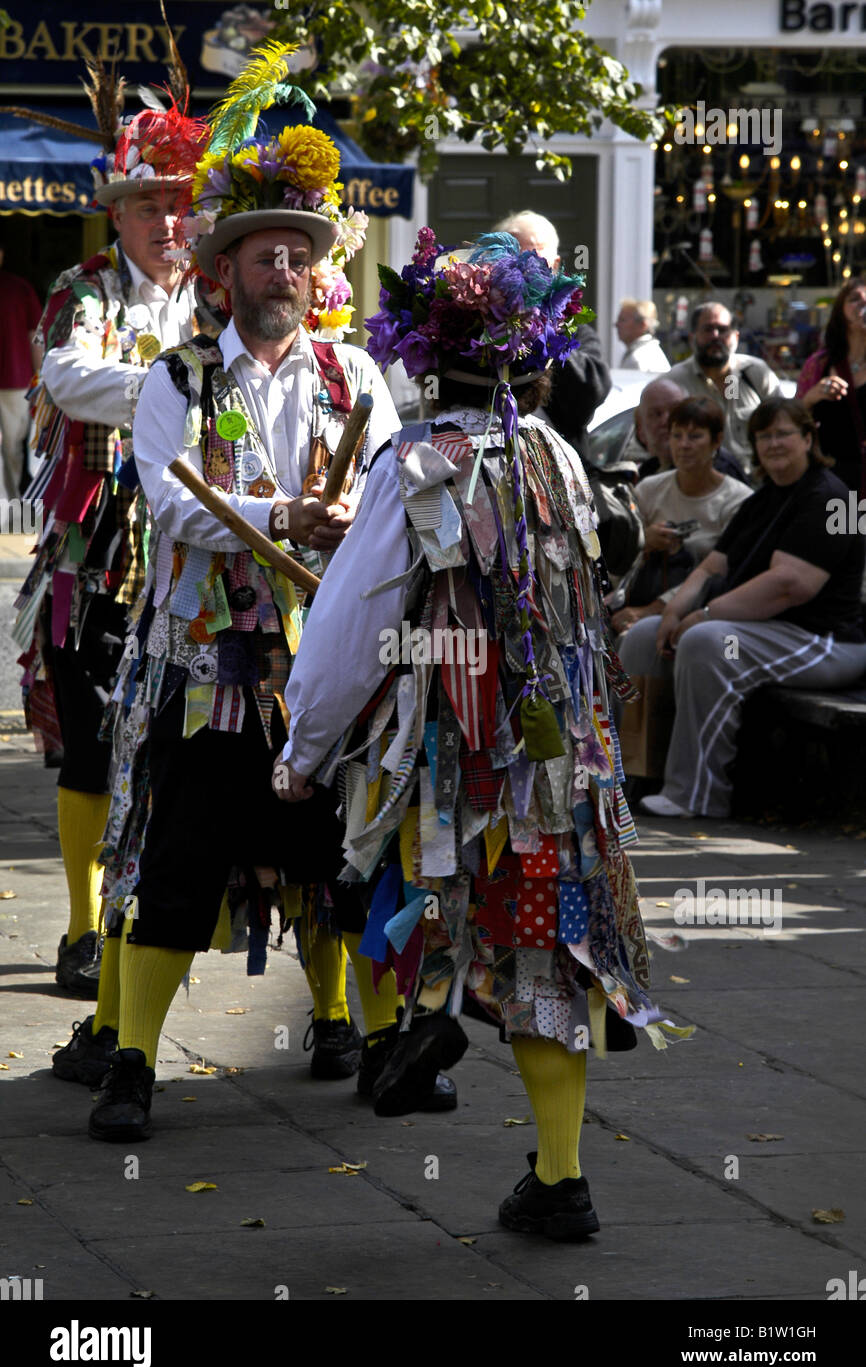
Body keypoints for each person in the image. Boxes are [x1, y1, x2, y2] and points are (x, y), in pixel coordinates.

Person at [275, 227, 692, 1241]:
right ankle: (559, 1174)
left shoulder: (413, 461)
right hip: (557, 758)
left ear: (425, 348)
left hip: (452, 759)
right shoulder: (554, 454)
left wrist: (304, 745)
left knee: (406, 883)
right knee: (548, 954)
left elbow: (350, 621)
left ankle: (415, 1027)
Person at [77, 66, 446, 1143]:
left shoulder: (354, 376)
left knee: (344, 854)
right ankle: (134, 1063)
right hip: (205, 670)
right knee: (179, 860)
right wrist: (283, 518)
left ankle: (371, 1044)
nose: (282, 267)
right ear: (223, 268)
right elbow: (165, 497)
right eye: (261, 251)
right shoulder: (173, 379)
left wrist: (360, 525)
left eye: (298, 252)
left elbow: (393, 494)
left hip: (328, 664)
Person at [13, 89, 210, 1000]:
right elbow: (66, 376)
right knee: (93, 748)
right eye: (150, 205)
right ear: (119, 214)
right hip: (98, 555)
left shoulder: (216, 296)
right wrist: (173, 388)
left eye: (180, 202)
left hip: (197, 553)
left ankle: (154, 909)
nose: (169, 220)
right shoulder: (84, 291)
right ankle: (83, 930)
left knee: (181, 742)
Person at [618, 398, 866, 820]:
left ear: (808, 438)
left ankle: (696, 794)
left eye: (783, 434)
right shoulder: (764, 498)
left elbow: (790, 586)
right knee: (644, 636)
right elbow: (712, 567)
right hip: (771, 633)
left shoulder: (832, 498)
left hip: (826, 641)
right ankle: (632, 775)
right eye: (763, 436)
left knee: (710, 644)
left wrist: (707, 615)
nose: (773, 444)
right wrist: (674, 612)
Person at [610, 397, 751, 635]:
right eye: (676, 436)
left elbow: (725, 574)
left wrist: (651, 610)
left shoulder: (738, 501)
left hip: (703, 614)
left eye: (695, 436)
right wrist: (644, 541)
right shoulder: (648, 489)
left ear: (716, 441)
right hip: (636, 602)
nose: (683, 445)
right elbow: (616, 562)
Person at [493, 211, 611, 458]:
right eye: (510, 257)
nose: (522, 268)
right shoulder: (475, 329)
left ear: (555, 266)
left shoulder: (575, 332)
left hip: (556, 476)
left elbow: (587, 397)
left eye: (534, 256)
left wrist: (539, 325)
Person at [663, 301, 782, 474]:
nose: (715, 336)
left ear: (736, 336)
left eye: (723, 329)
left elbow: (783, 426)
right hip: (701, 489)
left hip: (755, 487)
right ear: (692, 337)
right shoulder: (674, 382)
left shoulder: (756, 374)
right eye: (708, 329)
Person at [796, 277, 866, 497]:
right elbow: (793, 418)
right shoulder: (819, 364)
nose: (863, 305)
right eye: (855, 299)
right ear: (840, 311)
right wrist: (812, 397)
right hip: (830, 480)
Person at [0, 240, 43, 499]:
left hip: (16, 382)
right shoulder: (21, 288)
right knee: (12, 449)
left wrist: (40, 378)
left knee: (14, 448)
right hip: (16, 380)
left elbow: (34, 335)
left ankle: (11, 505)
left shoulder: (20, 289)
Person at [615, 298, 670, 372]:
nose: (616, 325)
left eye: (622, 320)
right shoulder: (647, 352)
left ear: (642, 325)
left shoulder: (639, 358)